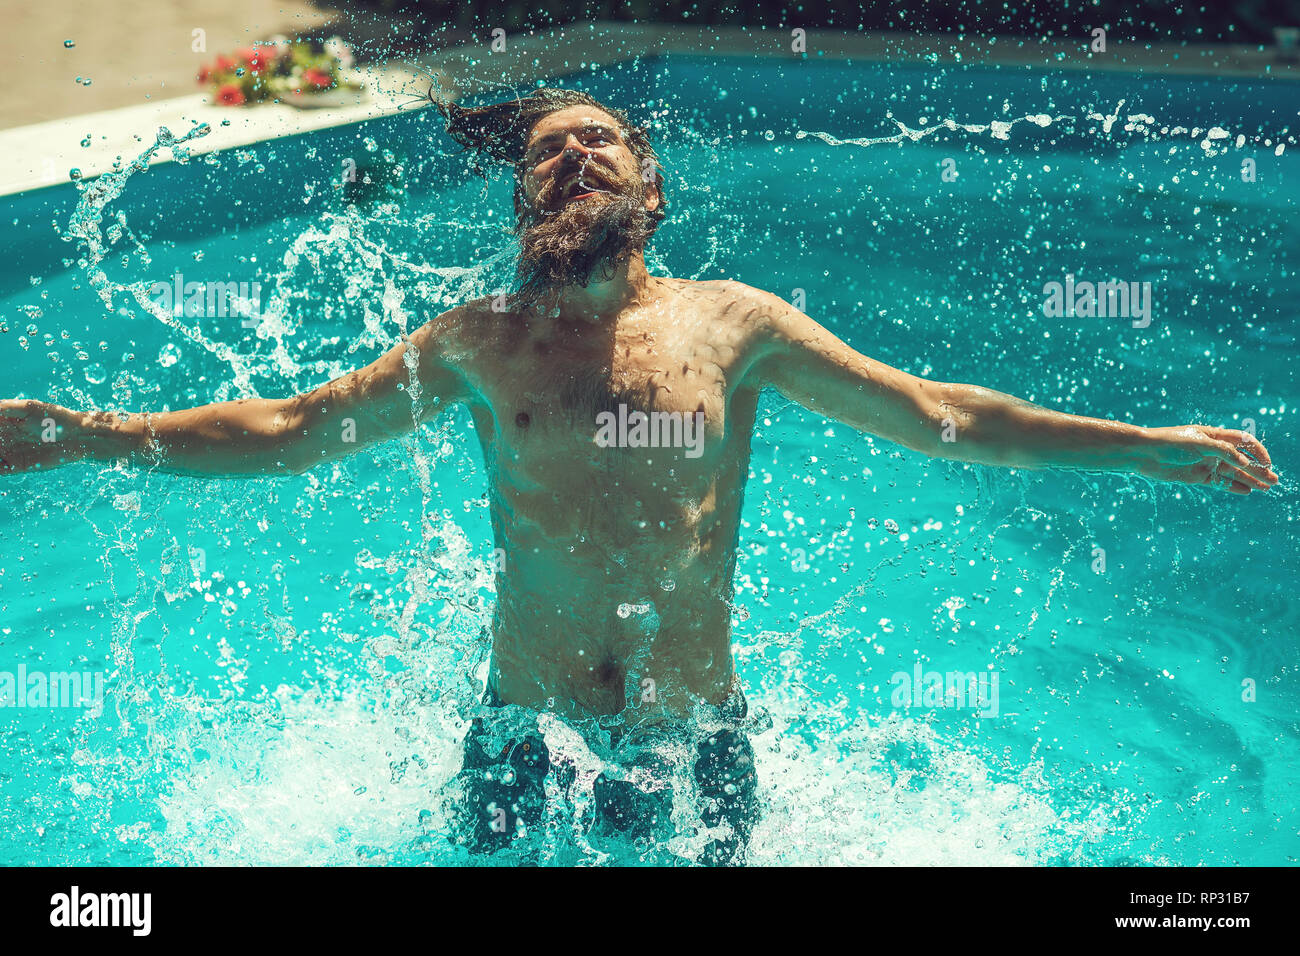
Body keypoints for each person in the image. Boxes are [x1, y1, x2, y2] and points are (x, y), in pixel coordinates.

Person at [0, 88, 1277, 865]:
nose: (575, 159)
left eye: (601, 141)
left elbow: (943, 415)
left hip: (697, 735)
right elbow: (287, 427)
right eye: (549, 151)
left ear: (648, 185)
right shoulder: (476, 343)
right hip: (518, 736)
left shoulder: (736, 326)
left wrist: (1150, 447)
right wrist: (84, 430)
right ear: (519, 200)